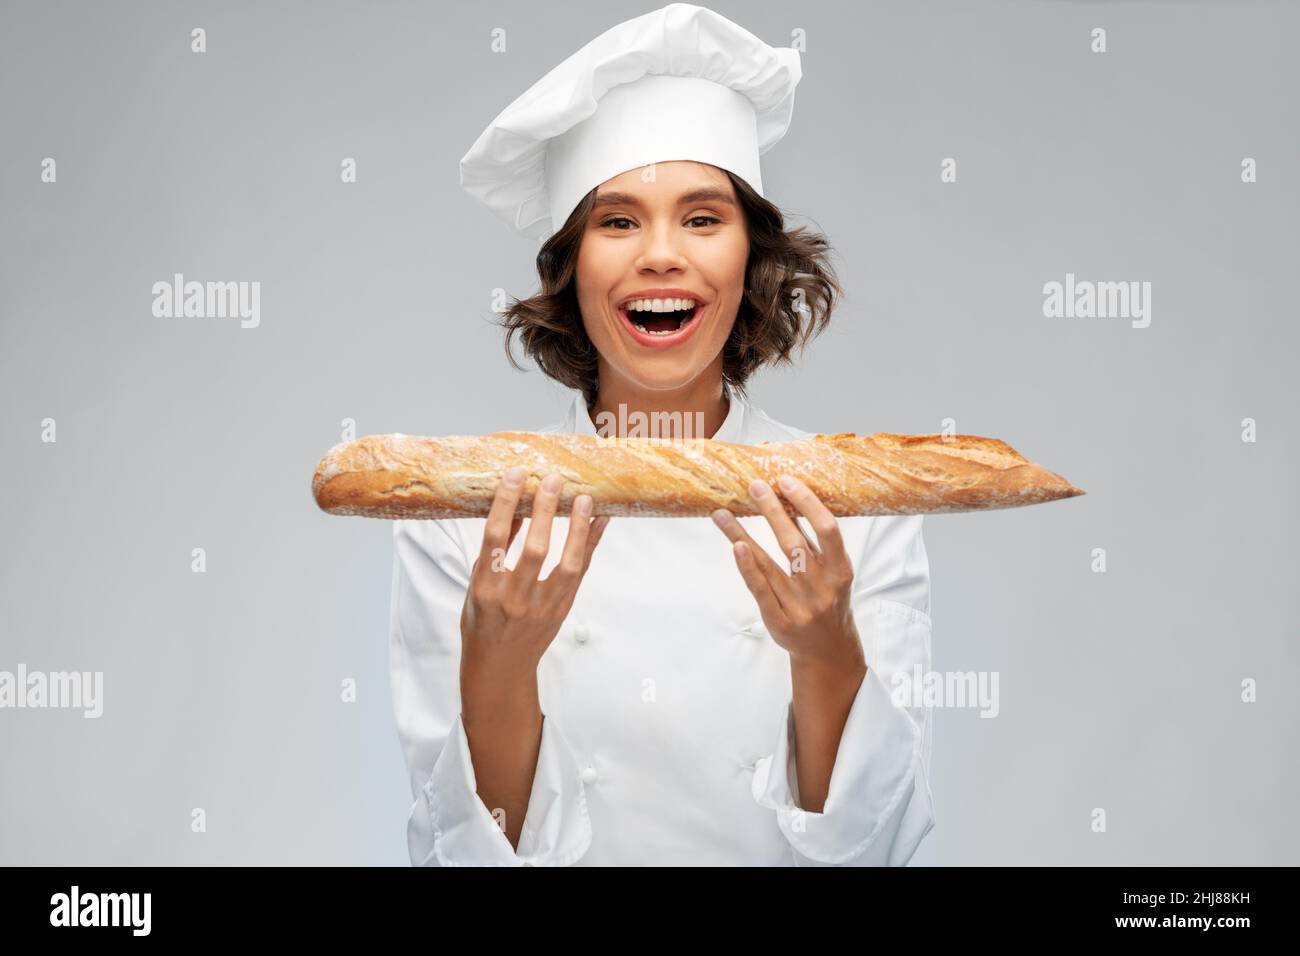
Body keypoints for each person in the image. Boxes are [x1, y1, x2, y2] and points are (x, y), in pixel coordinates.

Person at [389, 3, 935, 866]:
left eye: (703, 218)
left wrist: (827, 649)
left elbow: (882, 849)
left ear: (751, 259)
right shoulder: (464, 518)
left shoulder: (853, 507)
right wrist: (498, 660)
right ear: (572, 269)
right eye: (617, 221)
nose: (661, 255)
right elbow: (454, 855)